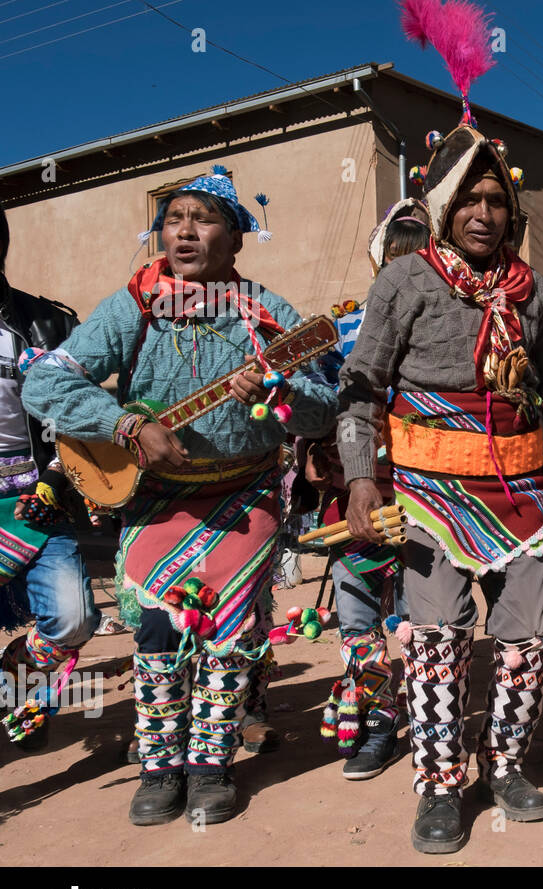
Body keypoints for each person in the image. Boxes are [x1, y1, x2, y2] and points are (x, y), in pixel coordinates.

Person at [22, 167, 338, 825]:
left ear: (236, 239)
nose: (185, 231)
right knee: (159, 630)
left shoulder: (269, 315)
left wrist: (278, 394)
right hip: (154, 499)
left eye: (204, 218)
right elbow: (45, 385)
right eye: (174, 218)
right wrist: (125, 425)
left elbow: (323, 409)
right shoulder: (133, 305)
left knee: (226, 634)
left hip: (240, 496)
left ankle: (210, 766)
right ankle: (160, 768)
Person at [337, 121, 543, 851]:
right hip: (427, 489)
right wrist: (361, 478)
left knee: (529, 641)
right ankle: (441, 786)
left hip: (519, 493)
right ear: (444, 205)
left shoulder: (531, 292)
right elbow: (362, 385)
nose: (485, 212)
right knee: (439, 640)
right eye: (470, 198)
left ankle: (506, 766)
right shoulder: (404, 280)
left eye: (498, 199)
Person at [303, 199, 431, 780]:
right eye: (396, 256)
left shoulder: (447, 321)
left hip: (426, 494)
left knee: (424, 618)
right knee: (357, 621)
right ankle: (380, 720)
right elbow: (317, 403)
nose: (406, 268)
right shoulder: (343, 329)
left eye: (420, 254)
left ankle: (433, 717)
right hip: (354, 498)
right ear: (379, 260)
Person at [0, 204, 101, 754]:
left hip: (35, 497)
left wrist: (58, 483)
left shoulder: (47, 323)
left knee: (74, 620)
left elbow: (84, 417)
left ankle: (16, 672)